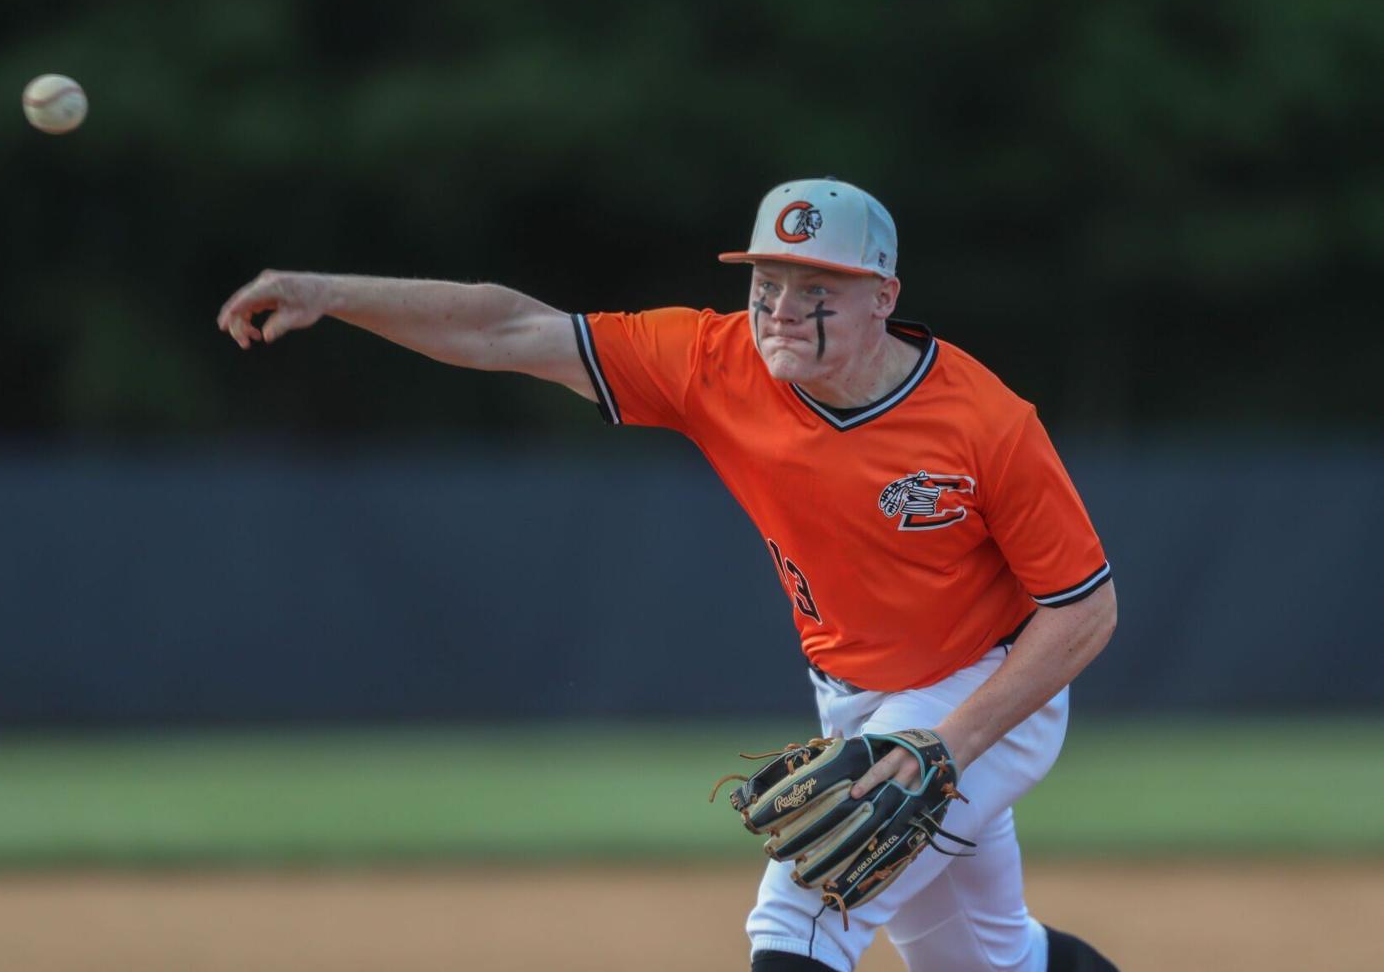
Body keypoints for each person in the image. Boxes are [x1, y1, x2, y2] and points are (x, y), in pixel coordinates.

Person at [217, 177, 1120, 972]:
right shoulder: (715, 362)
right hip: (857, 699)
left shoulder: (987, 423)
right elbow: (512, 327)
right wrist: (331, 294)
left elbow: (1083, 612)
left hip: (990, 694)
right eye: (767, 282)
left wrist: (947, 745)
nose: (780, 307)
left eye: (818, 289)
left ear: (884, 296)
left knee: (801, 918)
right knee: (989, 963)